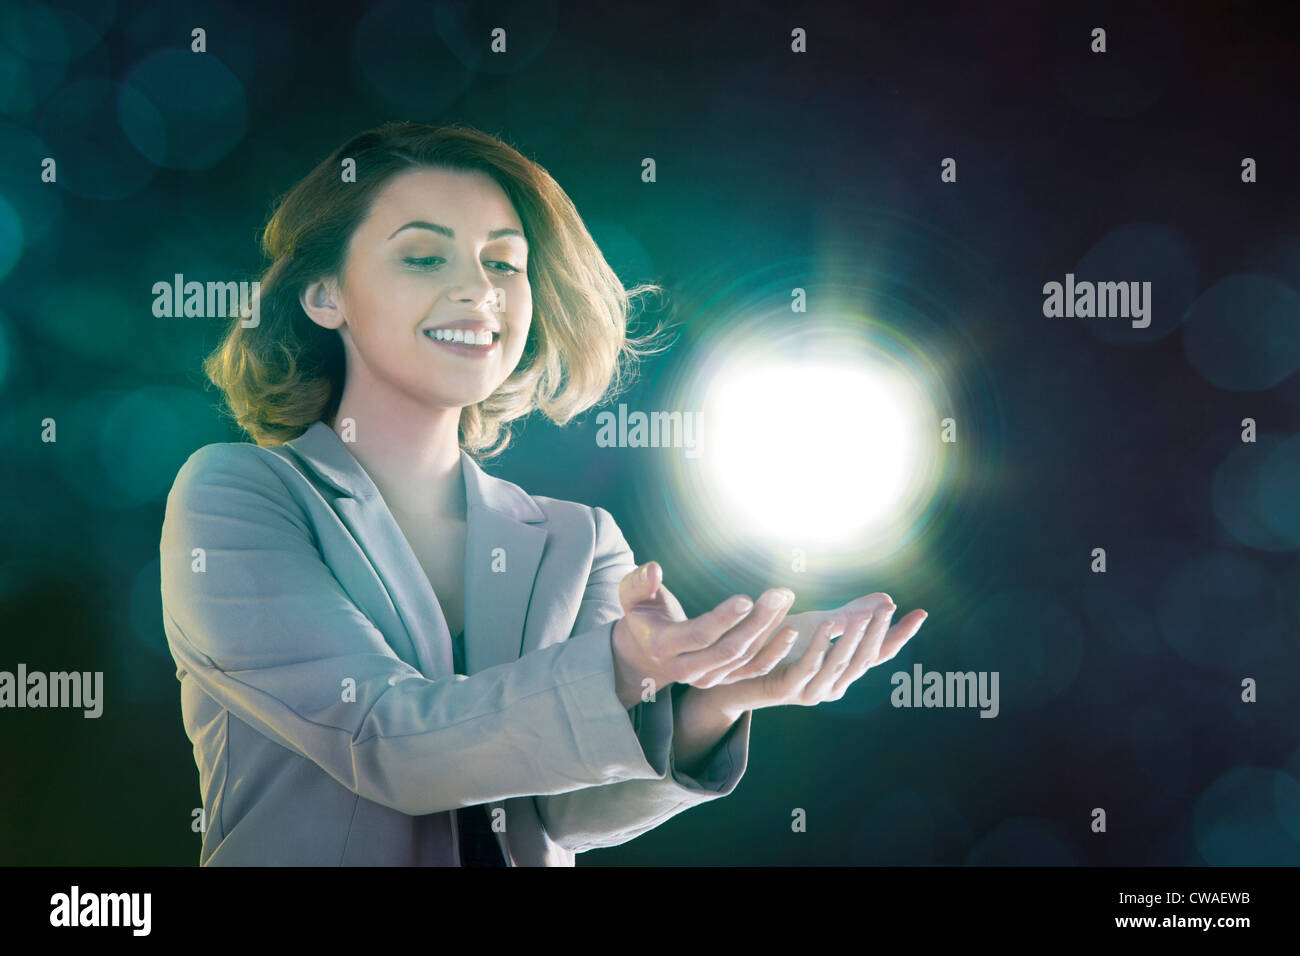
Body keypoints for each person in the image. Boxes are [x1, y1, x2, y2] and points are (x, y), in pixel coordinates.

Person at [159, 121, 929, 866]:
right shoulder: (237, 494)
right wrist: (623, 668)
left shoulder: (580, 539)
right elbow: (384, 742)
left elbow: (561, 807)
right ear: (325, 295)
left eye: (504, 263)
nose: (478, 291)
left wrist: (716, 699)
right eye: (424, 258)